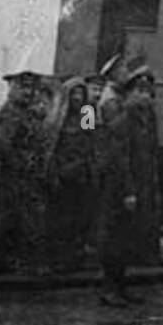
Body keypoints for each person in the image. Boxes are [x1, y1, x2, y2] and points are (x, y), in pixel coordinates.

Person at [96, 65, 160, 306]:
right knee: (113, 238)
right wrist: (129, 191)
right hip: (120, 187)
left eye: (149, 91)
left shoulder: (147, 118)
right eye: (140, 91)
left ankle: (121, 286)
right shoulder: (125, 117)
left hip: (139, 186)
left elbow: (150, 155)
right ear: (130, 94)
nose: (146, 96)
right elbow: (120, 157)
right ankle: (110, 288)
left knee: (127, 239)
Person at [0, 71, 54, 274]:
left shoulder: (31, 112)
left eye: (31, 88)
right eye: (24, 87)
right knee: (15, 215)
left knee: (28, 215)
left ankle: (17, 260)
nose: (28, 92)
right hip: (17, 173)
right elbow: (3, 144)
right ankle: (1, 261)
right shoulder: (11, 112)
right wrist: (21, 164)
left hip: (34, 171)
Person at [48, 78, 96, 272]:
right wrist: (57, 170)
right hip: (61, 173)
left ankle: (77, 256)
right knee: (61, 217)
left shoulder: (87, 113)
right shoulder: (58, 116)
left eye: (81, 93)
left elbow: (91, 142)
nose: (78, 97)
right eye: (74, 93)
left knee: (81, 216)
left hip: (82, 172)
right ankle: (59, 258)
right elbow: (51, 146)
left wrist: (85, 164)